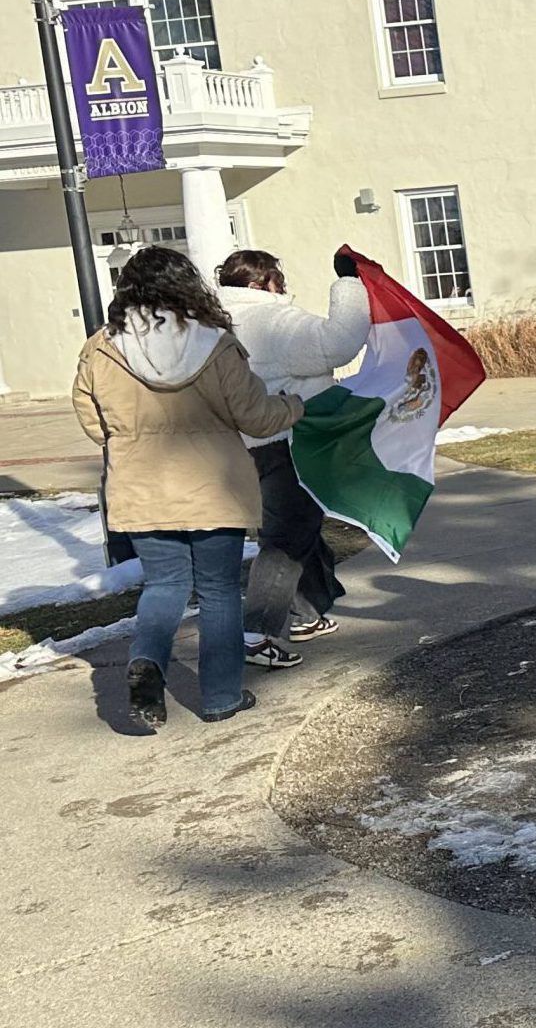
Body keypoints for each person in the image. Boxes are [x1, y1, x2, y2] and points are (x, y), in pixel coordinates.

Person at [72, 247, 307, 728]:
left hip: (141, 485)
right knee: (219, 590)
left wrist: (128, 442)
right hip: (213, 485)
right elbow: (255, 417)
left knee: (164, 584)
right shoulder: (215, 344)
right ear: (188, 285)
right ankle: (221, 696)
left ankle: (147, 660)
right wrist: (294, 406)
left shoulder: (101, 347)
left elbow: (93, 421)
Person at [216, 248, 370, 665]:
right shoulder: (270, 320)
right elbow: (337, 342)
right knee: (286, 540)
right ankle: (257, 632)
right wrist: (350, 283)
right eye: (278, 278)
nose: (282, 286)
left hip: (243, 445)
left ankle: (305, 613)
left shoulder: (215, 322)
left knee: (297, 526)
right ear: (262, 282)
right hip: (288, 438)